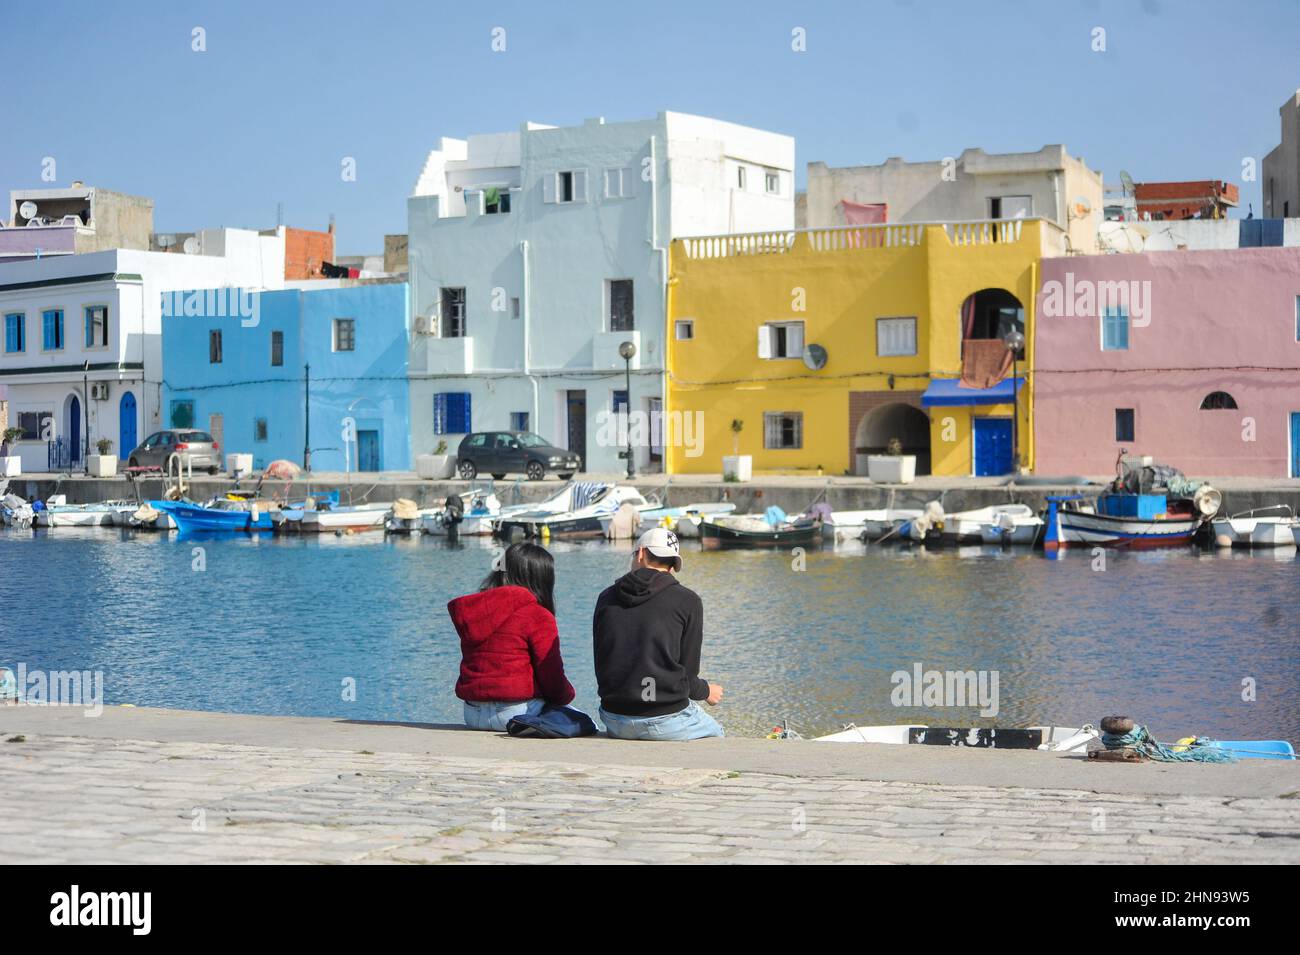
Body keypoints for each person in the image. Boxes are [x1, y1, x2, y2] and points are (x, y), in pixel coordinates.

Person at [593, 527, 724, 740]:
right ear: (672, 565)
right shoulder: (688, 601)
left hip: (614, 718)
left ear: (641, 553)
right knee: (717, 734)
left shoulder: (606, 598)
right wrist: (707, 691)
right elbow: (688, 679)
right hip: (666, 719)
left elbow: (602, 663)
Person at [448, 542, 576, 731]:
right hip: (515, 714)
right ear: (542, 580)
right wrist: (566, 698)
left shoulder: (477, 610)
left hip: (472, 713)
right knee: (580, 719)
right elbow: (551, 675)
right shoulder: (537, 615)